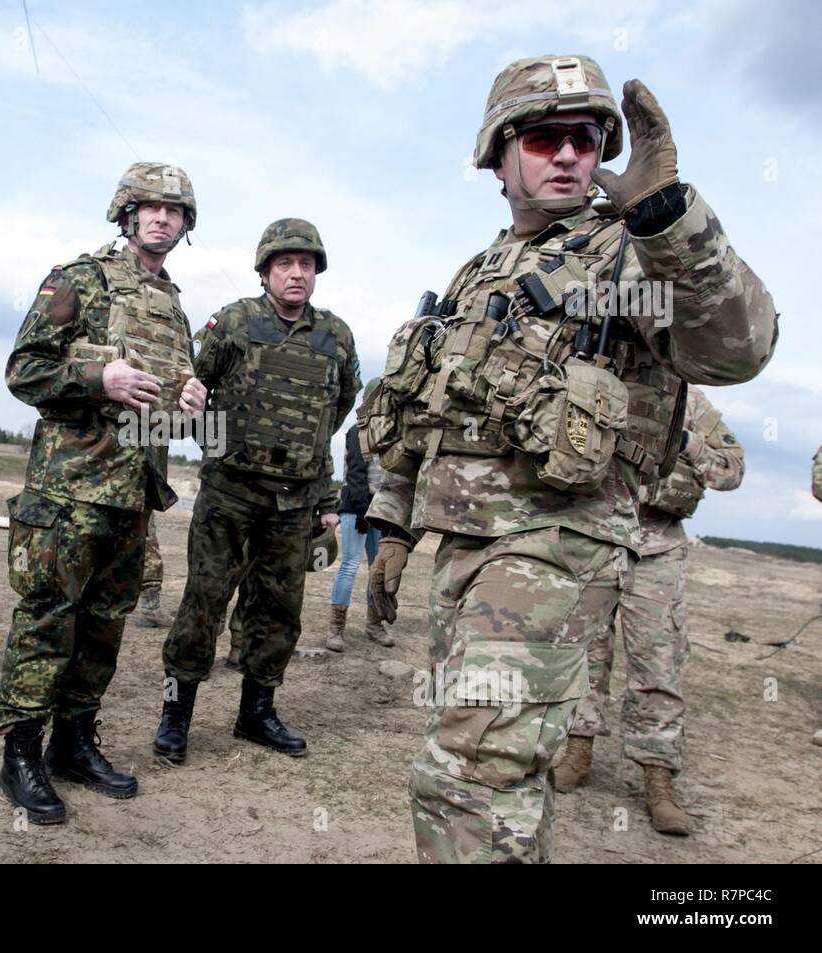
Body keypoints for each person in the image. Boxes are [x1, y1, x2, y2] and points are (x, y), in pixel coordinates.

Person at [360, 55, 777, 862]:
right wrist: (392, 523)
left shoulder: (629, 252)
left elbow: (740, 345)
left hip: (559, 540)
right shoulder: (480, 273)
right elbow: (427, 410)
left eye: (584, 140)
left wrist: (667, 214)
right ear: (498, 155)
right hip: (467, 547)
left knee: (470, 773)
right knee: (508, 770)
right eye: (544, 137)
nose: (568, 155)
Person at [0, 162, 207, 824]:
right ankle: (21, 754)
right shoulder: (79, 278)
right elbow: (23, 370)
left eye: (175, 211)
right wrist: (97, 375)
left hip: (133, 493)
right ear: (126, 212)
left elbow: (165, 410)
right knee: (47, 618)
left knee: (104, 627)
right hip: (69, 489)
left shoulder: (173, 306)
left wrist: (191, 401)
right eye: (151, 207)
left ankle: (75, 742)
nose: (163, 218)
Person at [155, 218, 360, 762]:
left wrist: (322, 497)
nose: (297, 274)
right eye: (285, 264)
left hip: (293, 503)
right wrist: (210, 434)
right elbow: (191, 385)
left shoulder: (335, 336)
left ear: (316, 272)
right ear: (265, 271)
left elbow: (334, 412)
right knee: (203, 604)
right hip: (230, 495)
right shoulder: (234, 322)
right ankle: (176, 714)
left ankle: (257, 713)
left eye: (307, 265)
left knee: (278, 610)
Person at [553, 387, 743, 836]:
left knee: (658, 664)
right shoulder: (600, 380)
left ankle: (658, 780)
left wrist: (686, 442)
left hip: (658, 548)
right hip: (595, 537)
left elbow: (731, 472)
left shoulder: (689, 401)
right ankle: (576, 754)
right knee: (584, 657)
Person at [326, 393, 395, 653]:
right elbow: (355, 475)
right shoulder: (358, 432)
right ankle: (336, 629)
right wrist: (364, 512)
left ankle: (373, 625)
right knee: (349, 566)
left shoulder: (391, 433)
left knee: (378, 571)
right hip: (358, 510)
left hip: (381, 511)